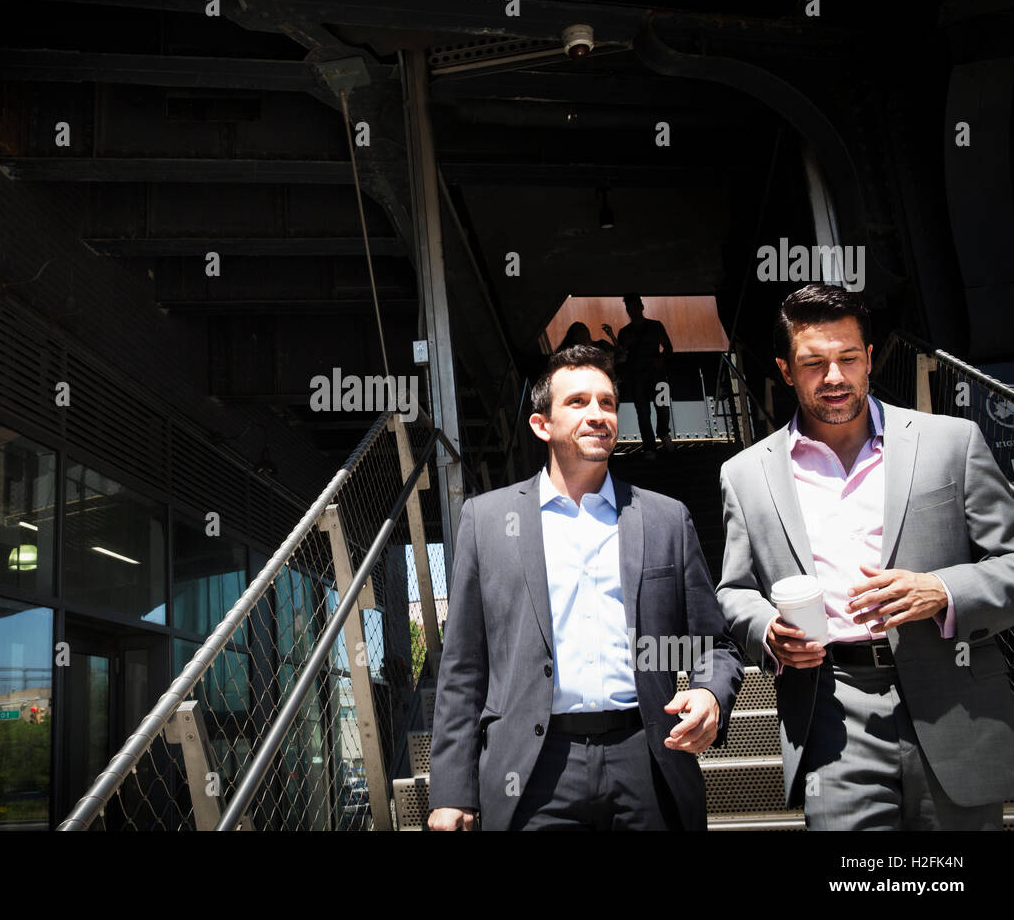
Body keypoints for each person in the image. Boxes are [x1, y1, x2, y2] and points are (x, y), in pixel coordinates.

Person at [716, 284, 1014, 829]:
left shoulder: (953, 441)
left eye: (848, 358)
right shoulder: (745, 474)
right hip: (831, 709)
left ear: (870, 359)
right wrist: (767, 632)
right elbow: (733, 590)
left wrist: (944, 591)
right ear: (785, 370)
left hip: (953, 698)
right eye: (814, 364)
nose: (834, 377)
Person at [427, 344, 742, 830]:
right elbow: (463, 668)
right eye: (577, 403)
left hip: (646, 759)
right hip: (533, 768)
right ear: (541, 425)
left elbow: (713, 645)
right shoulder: (488, 520)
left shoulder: (665, 519)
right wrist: (451, 790)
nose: (597, 415)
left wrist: (709, 694)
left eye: (607, 403)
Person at [610, 295, 674, 459]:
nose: (632, 311)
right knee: (644, 412)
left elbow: (668, 348)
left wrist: (661, 359)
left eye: (634, 307)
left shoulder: (654, 326)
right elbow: (621, 356)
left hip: (653, 374)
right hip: (640, 376)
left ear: (641, 307)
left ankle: (661, 435)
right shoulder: (627, 332)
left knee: (661, 406)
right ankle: (651, 444)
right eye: (629, 308)